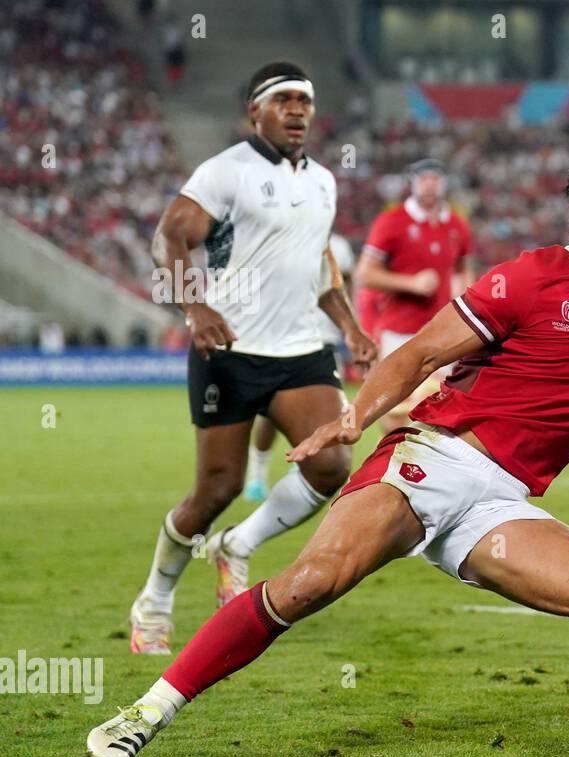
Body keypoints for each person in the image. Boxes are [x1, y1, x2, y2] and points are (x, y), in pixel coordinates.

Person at [88, 155, 569, 757]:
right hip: (434, 457)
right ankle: (147, 710)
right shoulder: (530, 278)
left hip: (499, 502)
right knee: (310, 583)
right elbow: (418, 355)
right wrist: (357, 416)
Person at [127, 61, 376, 654]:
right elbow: (170, 236)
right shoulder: (224, 172)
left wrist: (350, 328)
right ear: (254, 111)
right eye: (283, 99)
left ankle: (238, 545)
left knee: (332, 466)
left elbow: (321, 266)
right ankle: (154, 600)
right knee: (216, 489)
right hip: (230, 350)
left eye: (305, 101)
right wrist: (194, 309)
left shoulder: (323, 181)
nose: (297, 110)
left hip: (300, 350)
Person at [353, 158, 474, 435]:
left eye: (435, 179)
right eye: (424, 179)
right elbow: (364, 274)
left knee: (439, 407)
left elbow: (462, 268)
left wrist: (464, 301)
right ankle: (391, 466)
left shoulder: (457, 224)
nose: (430, 185)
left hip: (442, 330)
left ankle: (422, 470)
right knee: (395, 410)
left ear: (444, 184)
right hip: (399, 330)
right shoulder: (392, 221)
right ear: (413, 184)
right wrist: (411, 283)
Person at [244, 232, 357, 503]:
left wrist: (351, 325)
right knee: (272, 413)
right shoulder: (282, 237)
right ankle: (257, 471)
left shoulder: (339, 246)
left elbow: (346, 285)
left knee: (336, 411)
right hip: (286, 340)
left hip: (325, 340)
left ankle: (314, 471)